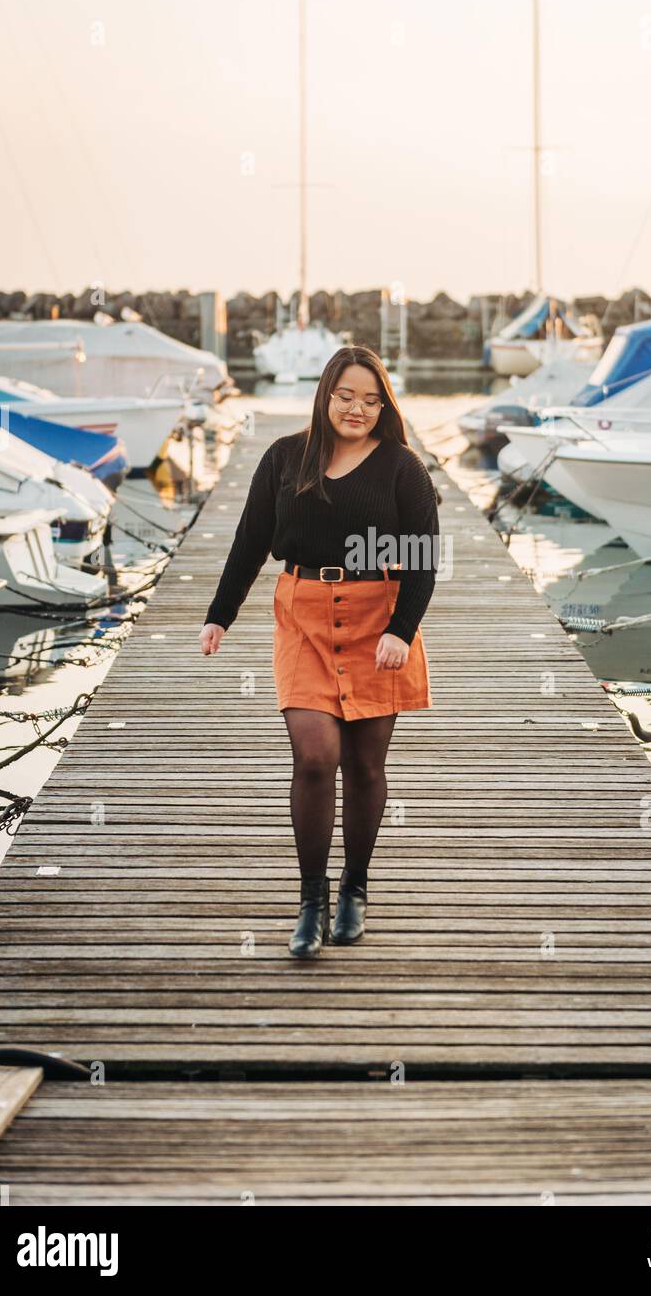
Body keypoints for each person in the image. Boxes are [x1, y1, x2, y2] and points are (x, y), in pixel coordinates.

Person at [200, 345, 440, 959]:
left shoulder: (401, 467)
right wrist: (219, 616)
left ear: (383, 404)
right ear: (325, 394)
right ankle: (312, 897)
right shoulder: (285, 457)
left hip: (379, 620)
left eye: (370, 399)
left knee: (364, 764)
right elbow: (250, 539)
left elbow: (423, 558)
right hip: (303, 615)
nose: (357, 408)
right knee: (315, 755)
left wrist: (401, 630)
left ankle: (355, 888)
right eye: (346, 396)